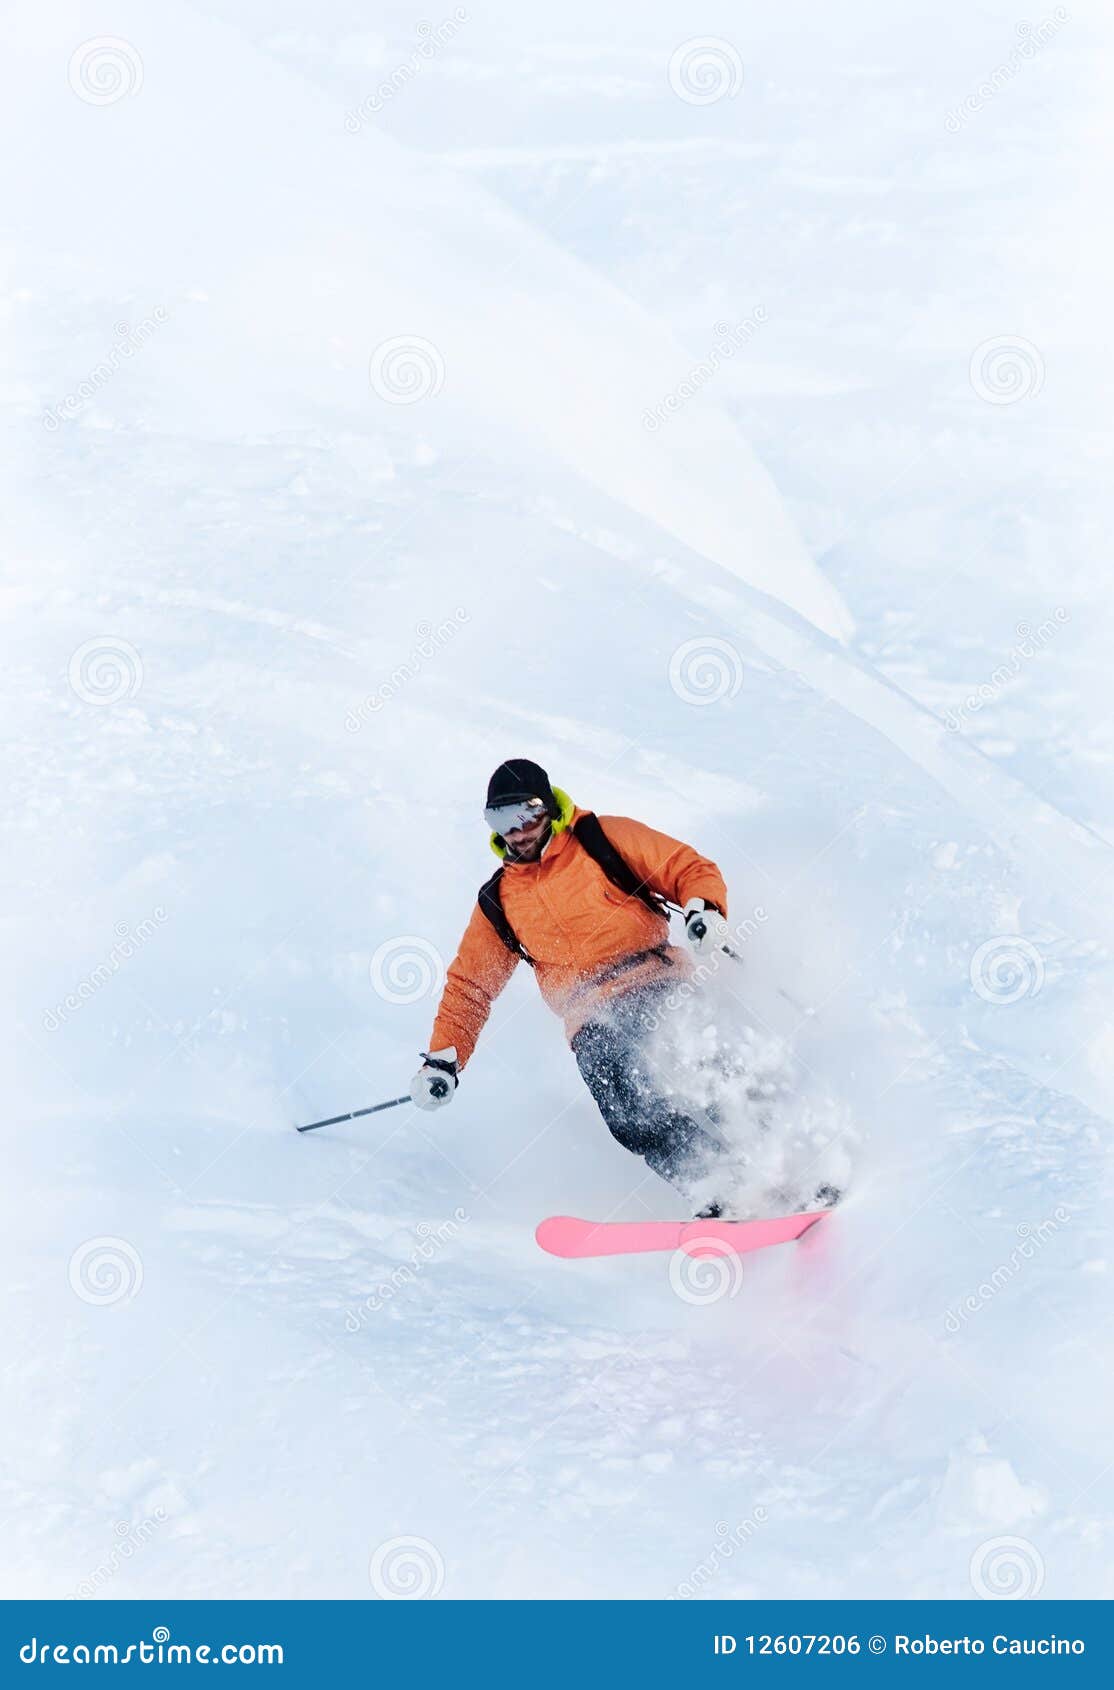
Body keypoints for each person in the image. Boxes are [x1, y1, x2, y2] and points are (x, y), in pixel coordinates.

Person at [409, 757, 740, 1217]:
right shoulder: (499, 901)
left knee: (712, 1067)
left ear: (549, 808)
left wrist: (704, 909)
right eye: (501, 820)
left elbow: (686, 867)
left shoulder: (603, 840)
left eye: (525, 814)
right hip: (591, 1018)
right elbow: (470, 986)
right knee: (626, 1106)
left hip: (655, 979)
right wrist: (443, 1059)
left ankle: (784, 1154)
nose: (517, 831)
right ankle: (715, 1183)